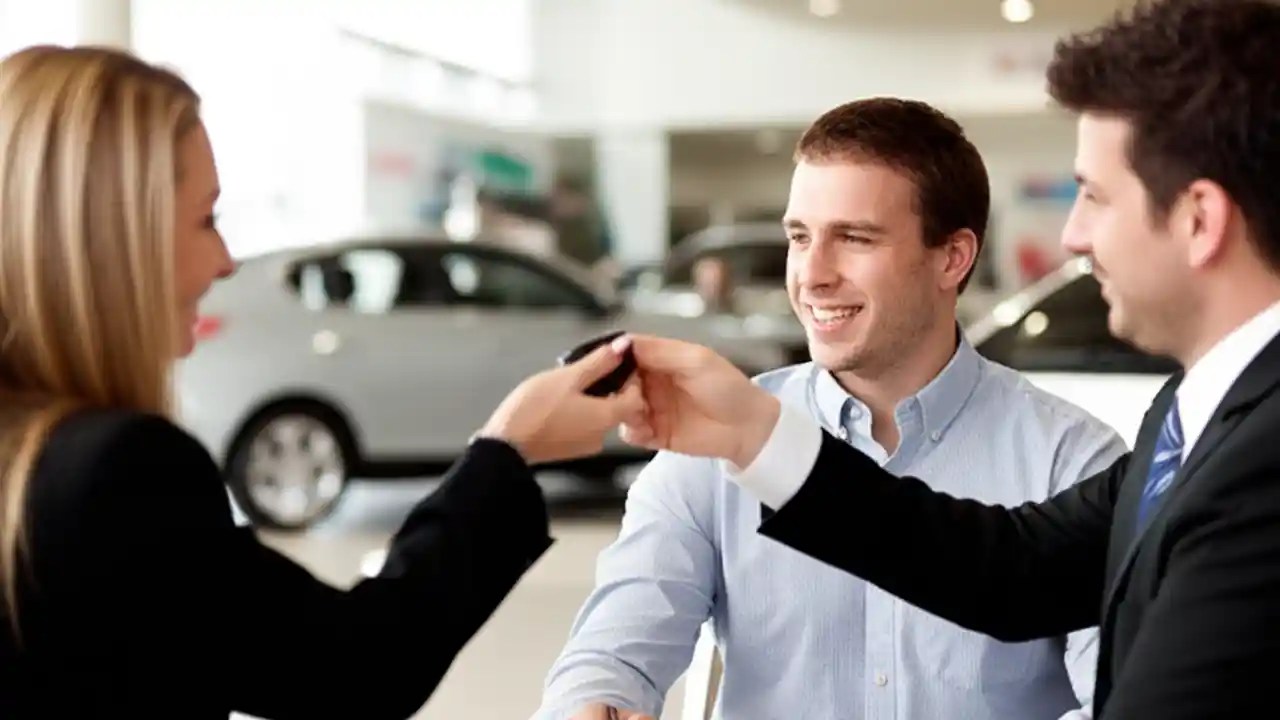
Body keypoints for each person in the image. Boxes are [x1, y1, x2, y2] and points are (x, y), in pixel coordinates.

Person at [618, 1, 1280, 717]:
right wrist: (756, 434)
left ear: (1200, 220)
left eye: (1093, 195)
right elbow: (1014, 569)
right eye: (800, 236)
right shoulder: (1191, 417)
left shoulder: (1261, 459)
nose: (1073, 234)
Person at [0, 45, 644, 718]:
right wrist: (508, 451)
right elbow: (354, 668)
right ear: (112, 236)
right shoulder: (116, 474)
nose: (225, 264)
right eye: (206, 220)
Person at [534, 98, 1126, 720]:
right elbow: (612, 653)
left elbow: (1118, 699)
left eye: (853, 238)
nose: (811, 275)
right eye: (799, 237)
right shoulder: (716, 441)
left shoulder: (1073, 460)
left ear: (952, 257)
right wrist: (592, 700)